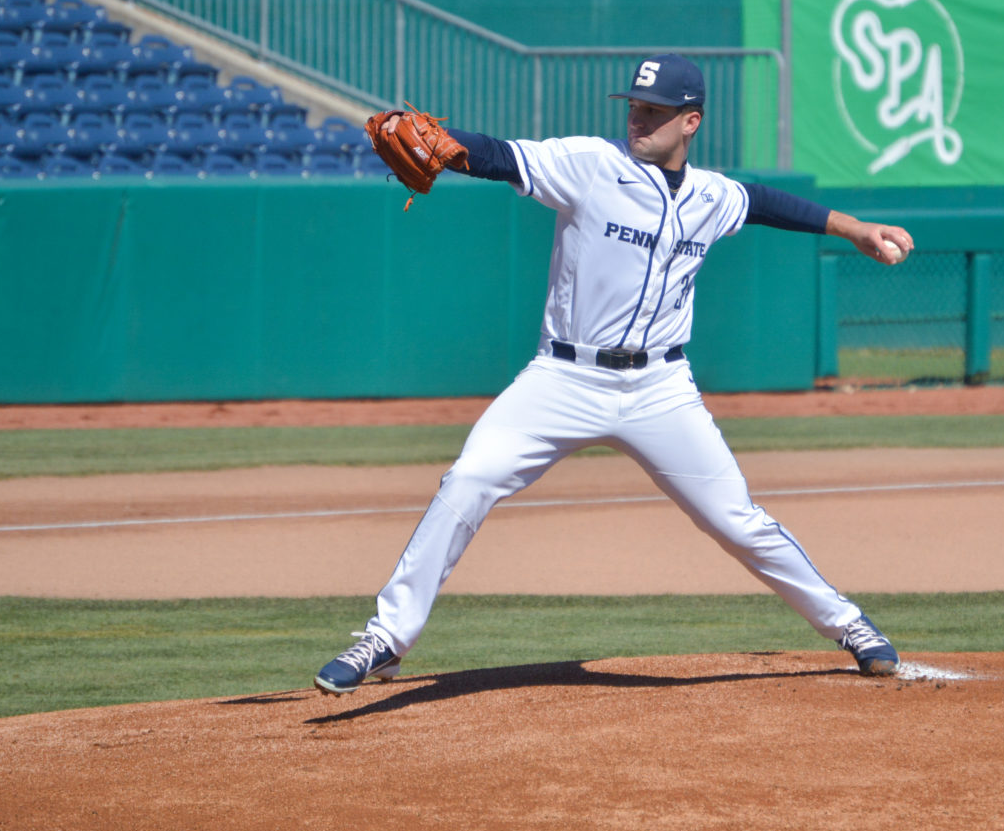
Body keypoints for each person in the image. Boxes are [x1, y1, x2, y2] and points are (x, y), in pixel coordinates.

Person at [316, 54, 915, 694]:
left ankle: (849, 625)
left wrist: (856, 229)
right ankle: (385, 639)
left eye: (653, 110)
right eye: (633, 104)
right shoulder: (591, 166)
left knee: (735, 519)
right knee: (468, 480)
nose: (637, 116)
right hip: (563, 380)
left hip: (661, 389)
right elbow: (500, 156)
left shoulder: (712, 196)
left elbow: (765, 203)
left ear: (691, 121)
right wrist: (453, 146)